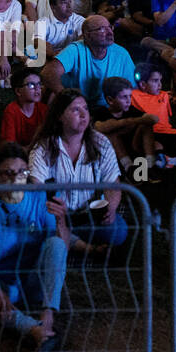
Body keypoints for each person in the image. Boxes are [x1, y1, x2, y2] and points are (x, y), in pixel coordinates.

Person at [0, 142, 70, 352]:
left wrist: (61, 222)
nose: (16, 179)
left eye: (22, 172)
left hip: (35, 279)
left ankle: (47, 316)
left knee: (56, 243)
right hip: (3, 283)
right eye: (9, 173)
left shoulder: (38, 198)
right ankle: (32, 328)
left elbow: (59, 250)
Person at [28, 89, 127, 253]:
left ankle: (71, 242)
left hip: (89, 216)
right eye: (75, 110)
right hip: (55, 218)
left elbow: (113, 183)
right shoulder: (44, 147)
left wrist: (111, 208)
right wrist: (54, 212)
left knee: (118, 231)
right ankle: (83, 247)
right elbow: (36, 186)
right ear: (60, 116)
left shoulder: (100, 142)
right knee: (38, 227)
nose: (83, 115)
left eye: (86, 109)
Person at [42, 15, 136, 107]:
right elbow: (48, 72)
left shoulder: (121, 54)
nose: (110, 32)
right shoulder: (75, 49)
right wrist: (66, 98)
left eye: (110, 27)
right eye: (102, 29)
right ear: (87, 35)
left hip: (108, 109)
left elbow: (132, 89)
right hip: (78, 107)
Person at [0, 65, 48, 146]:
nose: (37, 89)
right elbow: (9, 144)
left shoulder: (43, 109)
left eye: (39, 84)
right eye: (31, 85)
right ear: (18, 91)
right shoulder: (11, 111)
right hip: (18, 153)